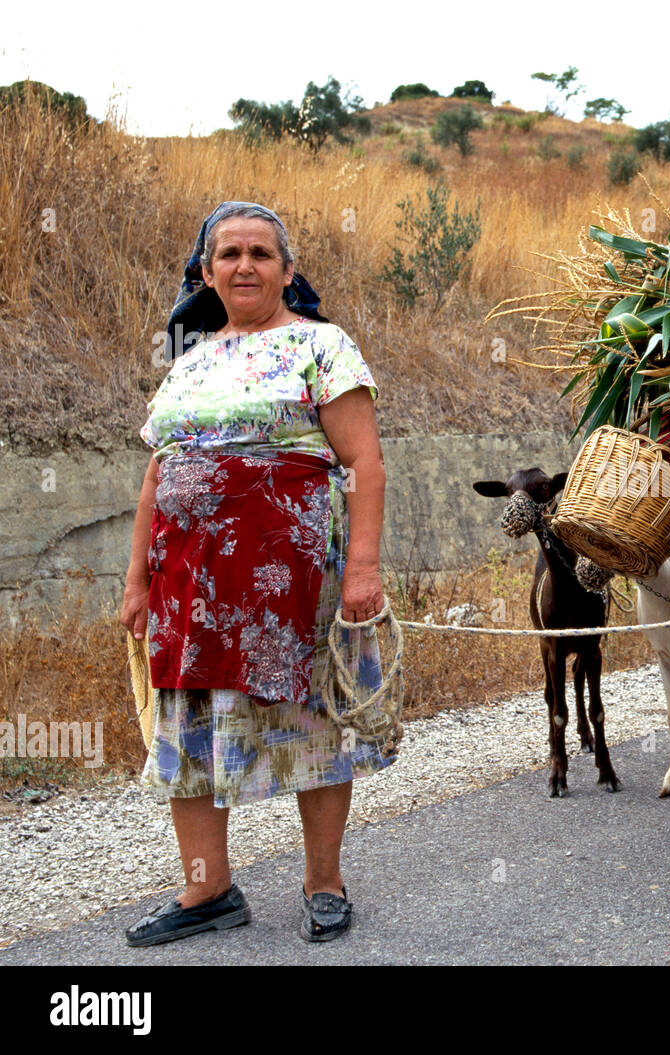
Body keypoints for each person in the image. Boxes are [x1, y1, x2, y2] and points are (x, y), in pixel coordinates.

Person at [118, 201, 392, 945]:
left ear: (287, 270)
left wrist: (362, 568)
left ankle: (324, 883)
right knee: (189, 726)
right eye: (229, 254)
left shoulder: (323, 346)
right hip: (189, 587)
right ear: (207, 273)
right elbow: (157, 473)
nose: (244, 265)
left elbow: (364, 462)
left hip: (295, 584)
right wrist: (137, 581)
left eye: (260, 254)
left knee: (314, 721)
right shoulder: (188, 362)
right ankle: (208, 889)